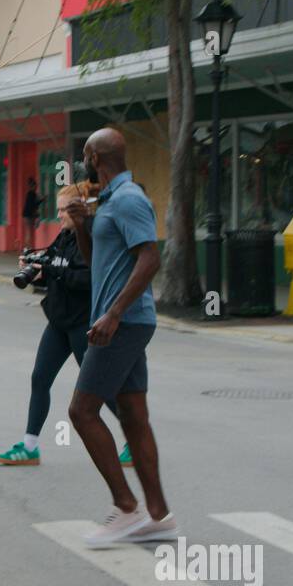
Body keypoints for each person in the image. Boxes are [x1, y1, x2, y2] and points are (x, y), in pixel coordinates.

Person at [64, 127, 174, 547]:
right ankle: (159, 515)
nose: (83, 163)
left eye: (85, 155)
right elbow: (99, 263)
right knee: (132, 417)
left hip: (125, 323)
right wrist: (80, 227)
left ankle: (126, 508)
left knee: (81, 411)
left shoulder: (129, 200)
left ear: (94, 157)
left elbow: (150, 259)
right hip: (122, 320)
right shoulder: (109, 203)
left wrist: (113, 314)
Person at [0, 183, 134, 468]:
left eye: (63, 210)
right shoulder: (64, 235)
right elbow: (55, 269)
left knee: (100, 388)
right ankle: (30, 446)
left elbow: (88, 279)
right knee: (40, 378)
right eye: (58, 210)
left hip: (83, 324)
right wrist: (37, 270)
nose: (58, 216)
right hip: (59, 322)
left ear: (79, 208)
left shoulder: (94, 237)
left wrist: (53, 271)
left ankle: (136, 437)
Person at [22, 178, 44, 250]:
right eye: (35, 186)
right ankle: (28, 248)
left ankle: (27, 247)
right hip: (29, 215)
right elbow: (34, 204)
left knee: (28, 231)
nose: (36, 187)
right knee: (28, 231)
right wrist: (42, 200)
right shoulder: (33, 194)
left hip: (26, 214)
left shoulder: (29, 193)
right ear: (33, 186)